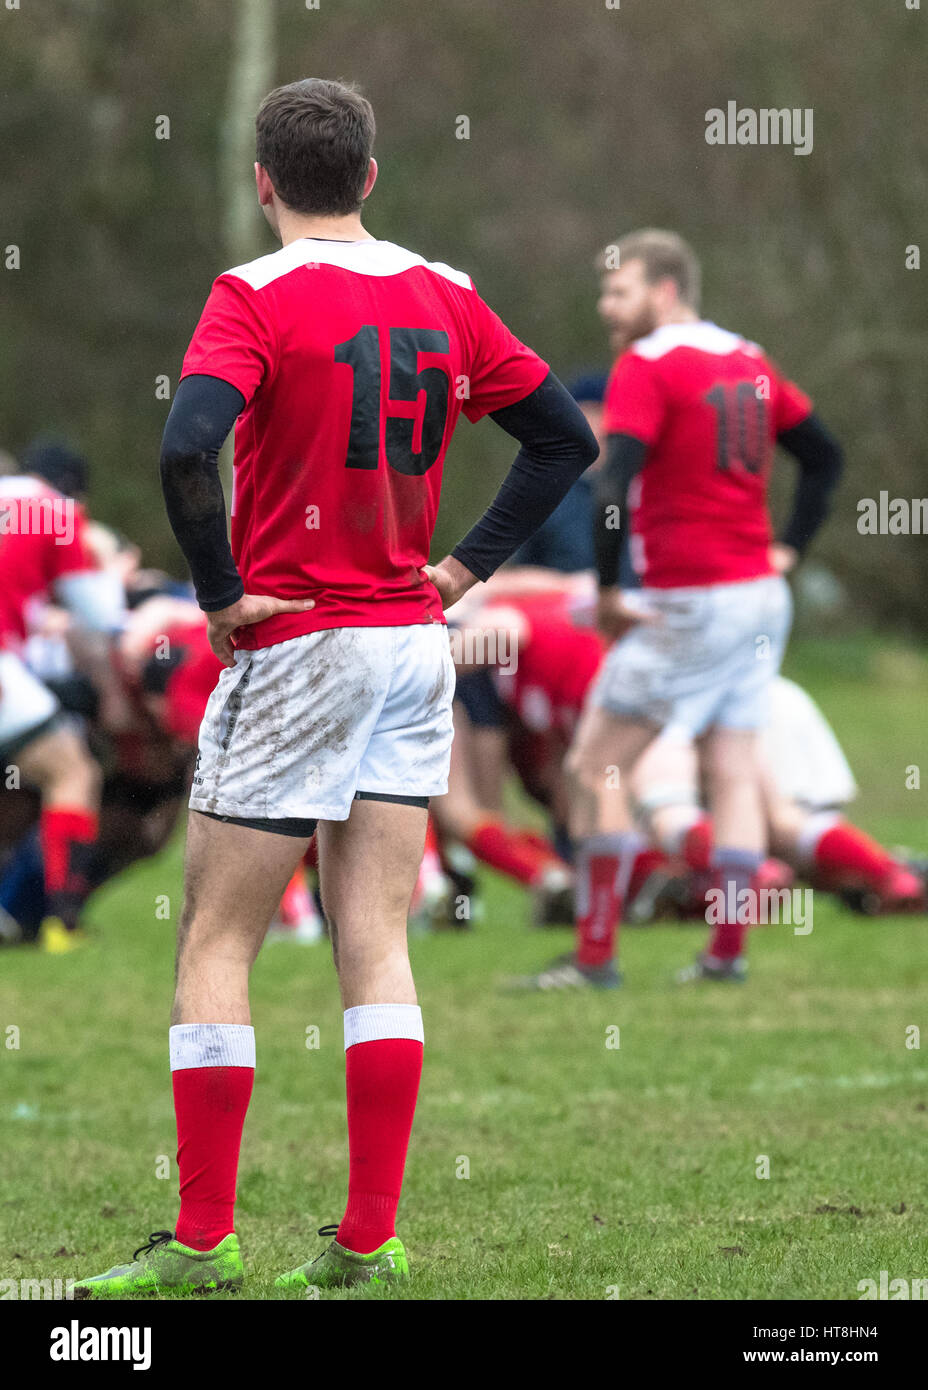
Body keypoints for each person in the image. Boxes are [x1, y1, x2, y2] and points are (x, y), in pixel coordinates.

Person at [74, 77, 597, 1297]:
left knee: (213, 938)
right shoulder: (448, 294)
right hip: (414, 646)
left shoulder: (251, 295)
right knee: (374, 940)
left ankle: (205, 1243)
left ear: (265, 184)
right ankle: (369, 1234)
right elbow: (562, 438)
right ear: (369, 176)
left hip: (301, 639)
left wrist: (214, 590)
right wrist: (465, 568)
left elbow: (185, 445)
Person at [522, 228, 843, 990]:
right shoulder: (748, 357)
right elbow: (824, 455)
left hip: (687, 601)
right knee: (731, 768)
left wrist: (606, 593)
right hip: (759, 598)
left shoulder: (649, 364)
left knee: (595, 764)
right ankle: (724, 954)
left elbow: (611, 486)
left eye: (619, 291)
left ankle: (596, 957)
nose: (607, 308)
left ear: (665, 291)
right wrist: (789, 547)